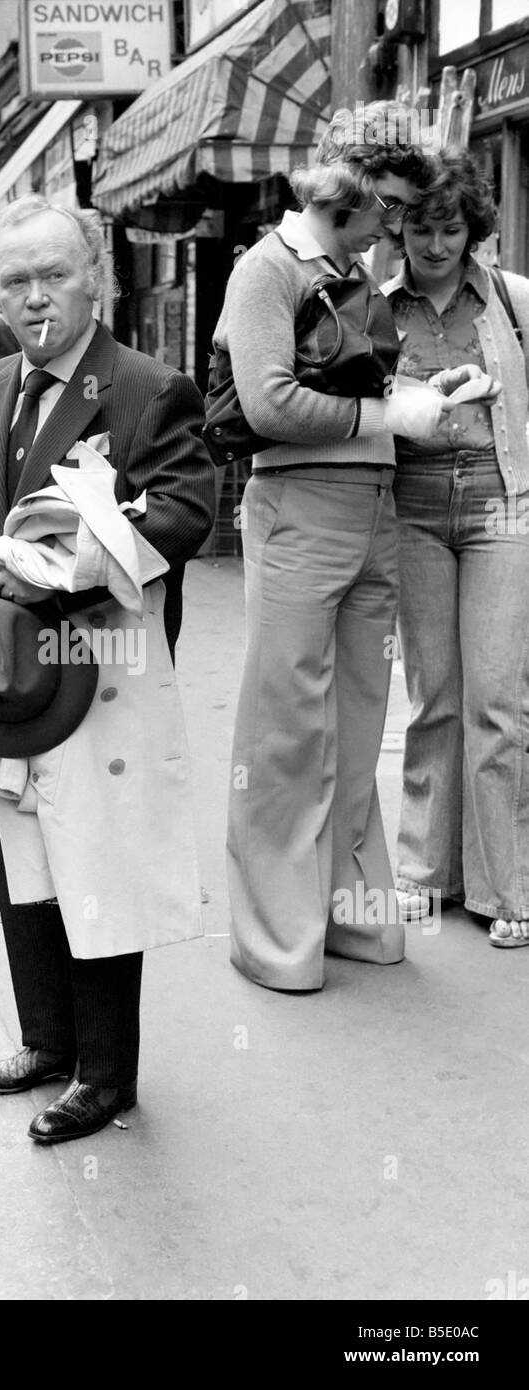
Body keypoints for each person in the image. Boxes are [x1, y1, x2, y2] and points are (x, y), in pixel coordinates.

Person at [0, 193, 214, 1143]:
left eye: (55, 276)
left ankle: (106, 1077)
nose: (36, 297)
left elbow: (186, 509)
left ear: (98, 280)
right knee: (23, 858)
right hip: (4, 669)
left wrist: (76, 555)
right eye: (16, 281)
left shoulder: (147, 387)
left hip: (101, 663)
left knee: (96, 866)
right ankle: (45, 1042)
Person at [217, 103, 460, 992]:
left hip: (374, 505)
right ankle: (277, 934)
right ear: (347, 191)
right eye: (389, 206)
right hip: (299, 505)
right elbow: (268, 404)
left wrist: (426, 399)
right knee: (285, 729)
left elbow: (361, 392)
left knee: (358, 724)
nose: (399, 226)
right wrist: (388, 413)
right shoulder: (265, 271)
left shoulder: (350, 273)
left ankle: (344, 912)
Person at [382, 150, 529, 949]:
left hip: (501, 503)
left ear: (474, 229)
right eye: (422, 227)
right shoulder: (377, 309)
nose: (436, 244)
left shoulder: (512, 301)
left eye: (451, 227)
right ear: (400, 228)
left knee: (499, 701)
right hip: (411, 506)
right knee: (433, 696)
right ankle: (424, 873)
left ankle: (508, 885)